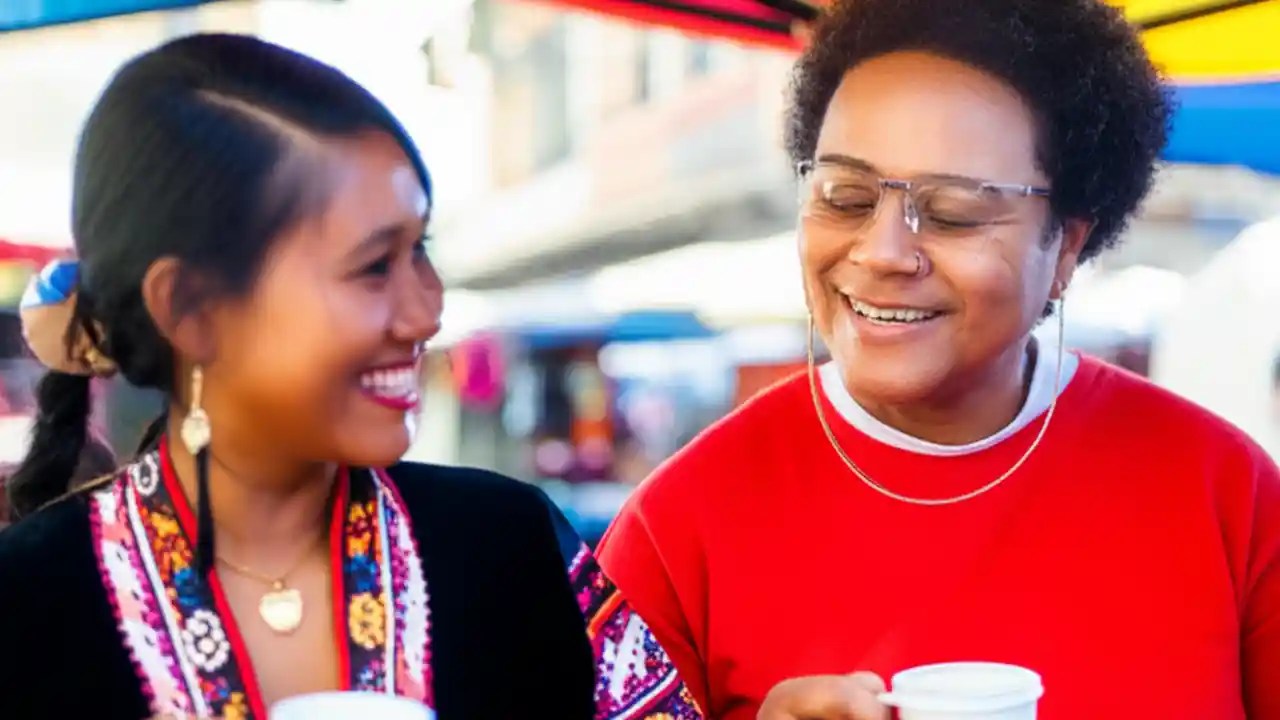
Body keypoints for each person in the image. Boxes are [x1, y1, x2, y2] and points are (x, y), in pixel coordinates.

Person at [596, 1, 1280, 719]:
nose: (882, 252)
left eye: (953, 211)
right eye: (845, 197)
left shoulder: (1226, 496)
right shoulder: (674, 533)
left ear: (1068, 247)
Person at [0, 34, 701, 720]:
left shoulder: (510, 547)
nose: (425, 312)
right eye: (373, 267)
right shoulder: (27, 601)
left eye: (419, 250)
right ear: (190, 308)